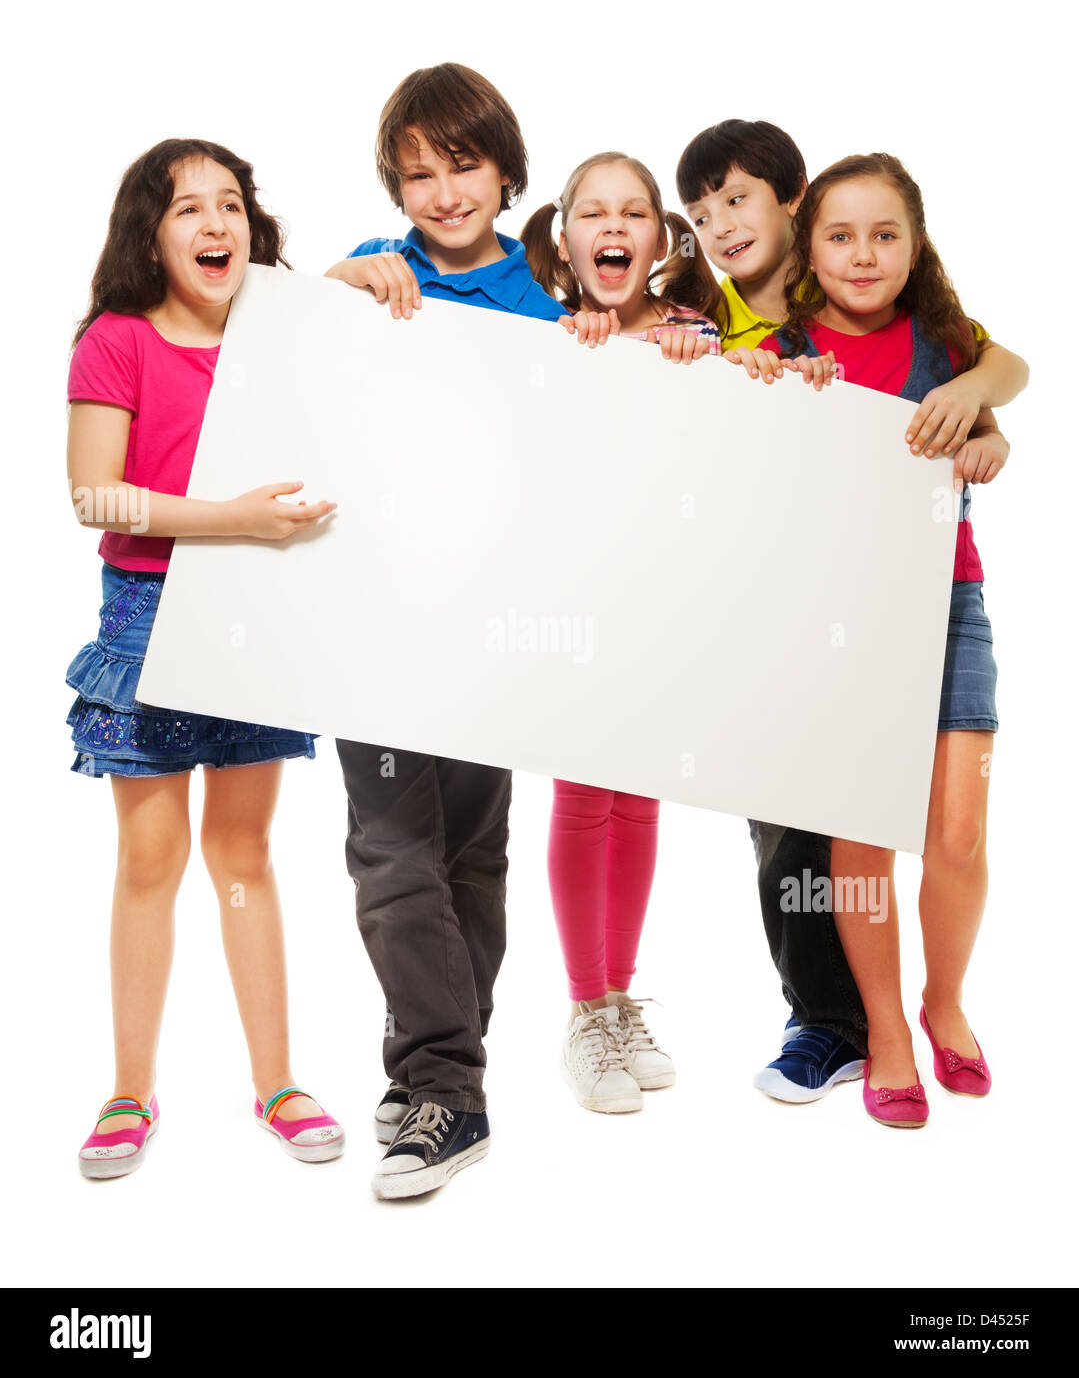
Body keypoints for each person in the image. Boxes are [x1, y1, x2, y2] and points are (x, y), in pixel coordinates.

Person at [676, 120, 1027, 1104]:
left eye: (883, 236)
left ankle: (941, 1001)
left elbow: (1004, 382)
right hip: (827, 615)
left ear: (914, 245)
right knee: (851, 829)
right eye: (841, 237)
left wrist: (980, 426)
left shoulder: (940, 342)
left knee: (956, 832)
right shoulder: (774, 345)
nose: (861, 255)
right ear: (811, 244)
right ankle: (877, 1033)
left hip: (946, 601)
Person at [67, 139, 342, 1178]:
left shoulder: (278, 336)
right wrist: (226, 520)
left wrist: (357, 278)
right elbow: (94, 494)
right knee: (149, 860)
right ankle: (129, 1091)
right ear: (150, 230)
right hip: (146, 610)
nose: (215, 224)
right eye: (188, 208)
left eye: (231, 204)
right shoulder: (117, 339)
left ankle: (275, 1079)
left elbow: (351, 323)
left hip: (257, 611)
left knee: (243, 855)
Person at [326, 63, 567, 1198]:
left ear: (505, 171)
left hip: (496, 618)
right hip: (372, 610)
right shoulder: (374, 281)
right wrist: (332, 285)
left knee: (470, 849)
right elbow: (282, 364)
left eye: (461, 164)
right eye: (416, 172)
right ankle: (447, 1086)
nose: (440, 191)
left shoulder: (550, 295)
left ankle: (431, 1061)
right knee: (387, 847)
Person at [520, 152, 720, 1112]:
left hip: (665, 599)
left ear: (658, 239)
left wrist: (717, 357)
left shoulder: (695, 333)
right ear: (565, 240)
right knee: (581, 789)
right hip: (572, 594)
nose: (613, 226)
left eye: (633, 212)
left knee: (638, 796)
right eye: (592, 213)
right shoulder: (545, 332)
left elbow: (740, 440)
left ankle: (619, 999)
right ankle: (581, 1013)